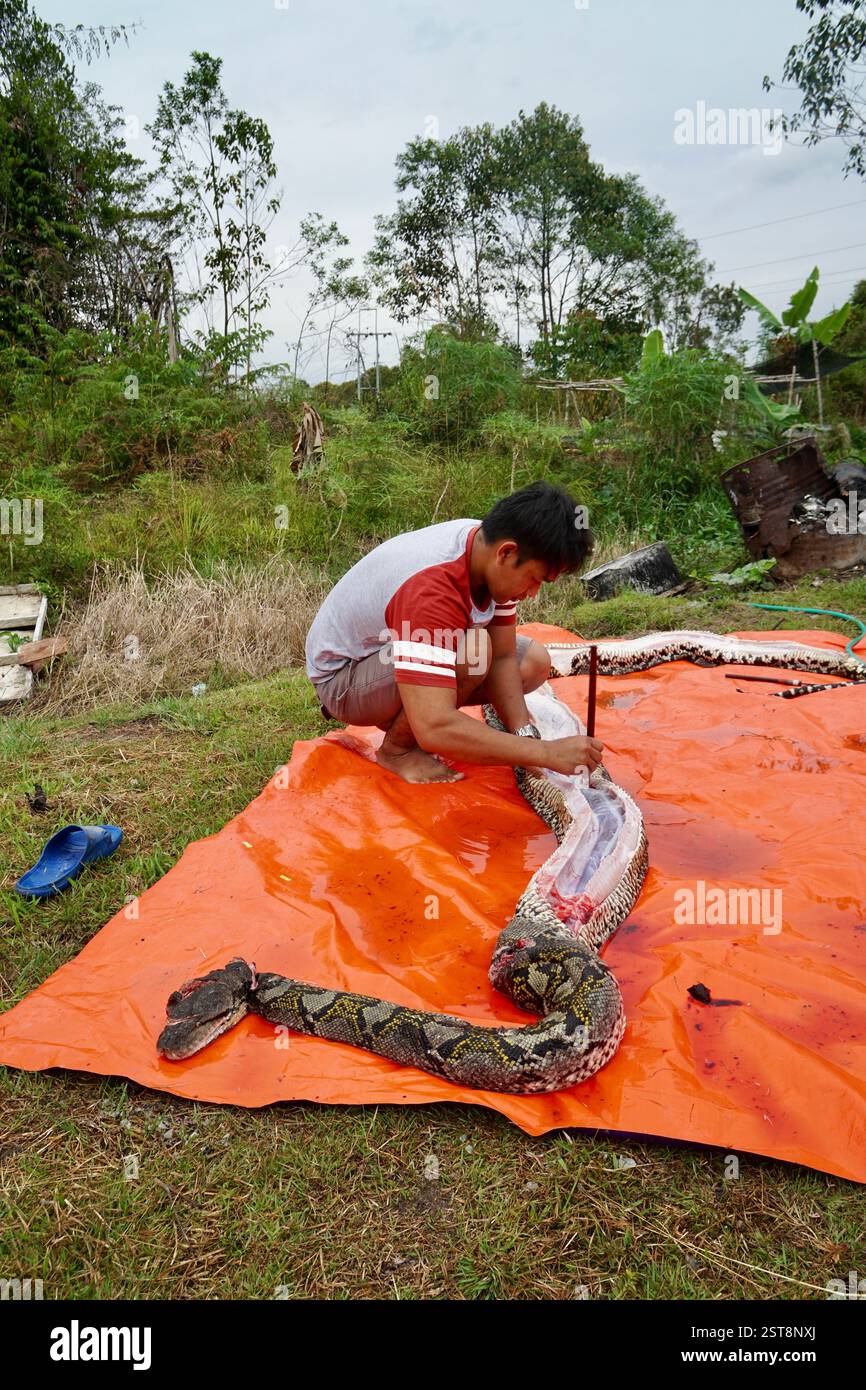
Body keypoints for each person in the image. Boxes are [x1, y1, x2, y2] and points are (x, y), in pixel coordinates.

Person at [305, 480, 603, 784]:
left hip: (391, 654)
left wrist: (527, 736)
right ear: (507, 553)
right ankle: (397, 750)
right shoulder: (432, 587)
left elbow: (503, 657)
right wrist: (545, 754)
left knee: (532, 662)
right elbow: (434, 726)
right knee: (473, 652)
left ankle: (417, 709)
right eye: (534, 580)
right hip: (344, 678)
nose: (533, 593)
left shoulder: (489, 550)